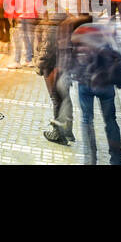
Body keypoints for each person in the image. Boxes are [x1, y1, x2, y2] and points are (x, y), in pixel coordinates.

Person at [72, 21, 121, 165]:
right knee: (110, 120)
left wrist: (74, 75)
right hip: (105, 85)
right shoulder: (107, 34)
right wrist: (119, 82)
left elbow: (72, 57)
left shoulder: (80, 32)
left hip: (86, 83)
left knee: (86, 120)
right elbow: (119, 58)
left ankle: (90, 159)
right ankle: (117, 159)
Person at [38, 11, 90, 145]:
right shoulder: (69, 23)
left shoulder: (53, 23)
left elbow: (47, 48)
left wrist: (40, 65)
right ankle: (68, 132)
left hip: (52, 67)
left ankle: (58, 134)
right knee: (65, 98)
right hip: (64, 67)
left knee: (57, 99)